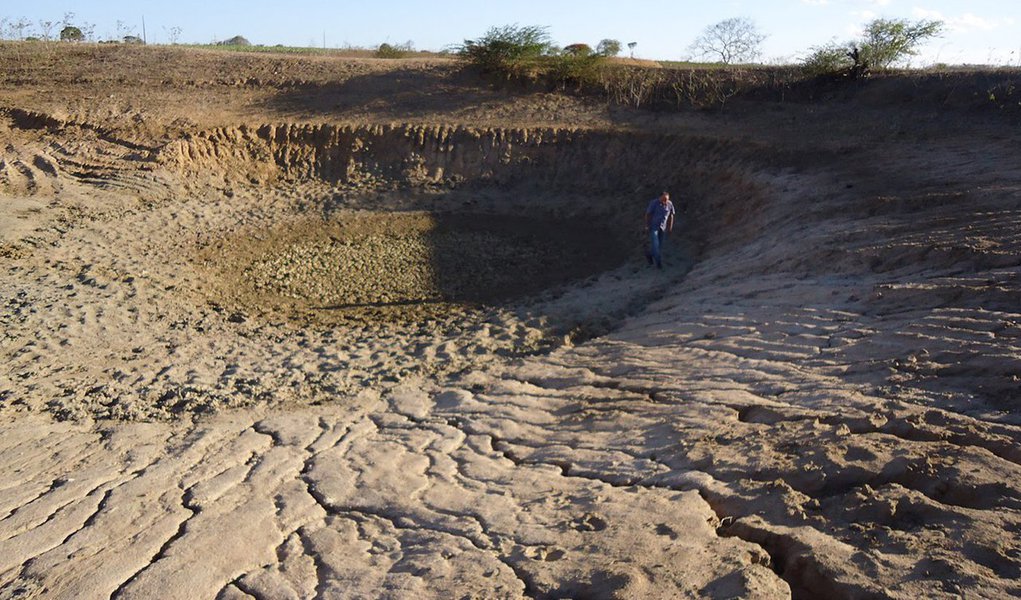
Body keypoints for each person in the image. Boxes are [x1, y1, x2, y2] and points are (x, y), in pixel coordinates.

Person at [645, 191, 675, 269]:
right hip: (654, 227)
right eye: (664, 199)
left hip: (663, 228)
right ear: (660, 198)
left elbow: (671, 215)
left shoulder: (670, 204)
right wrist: (647, 225)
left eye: (667, 199)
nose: (665, 201)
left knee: (659, 246)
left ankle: (649, 255)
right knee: (655, 245)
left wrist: (670, 227)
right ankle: (659, 263)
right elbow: (648, 214)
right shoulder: (654, 203)